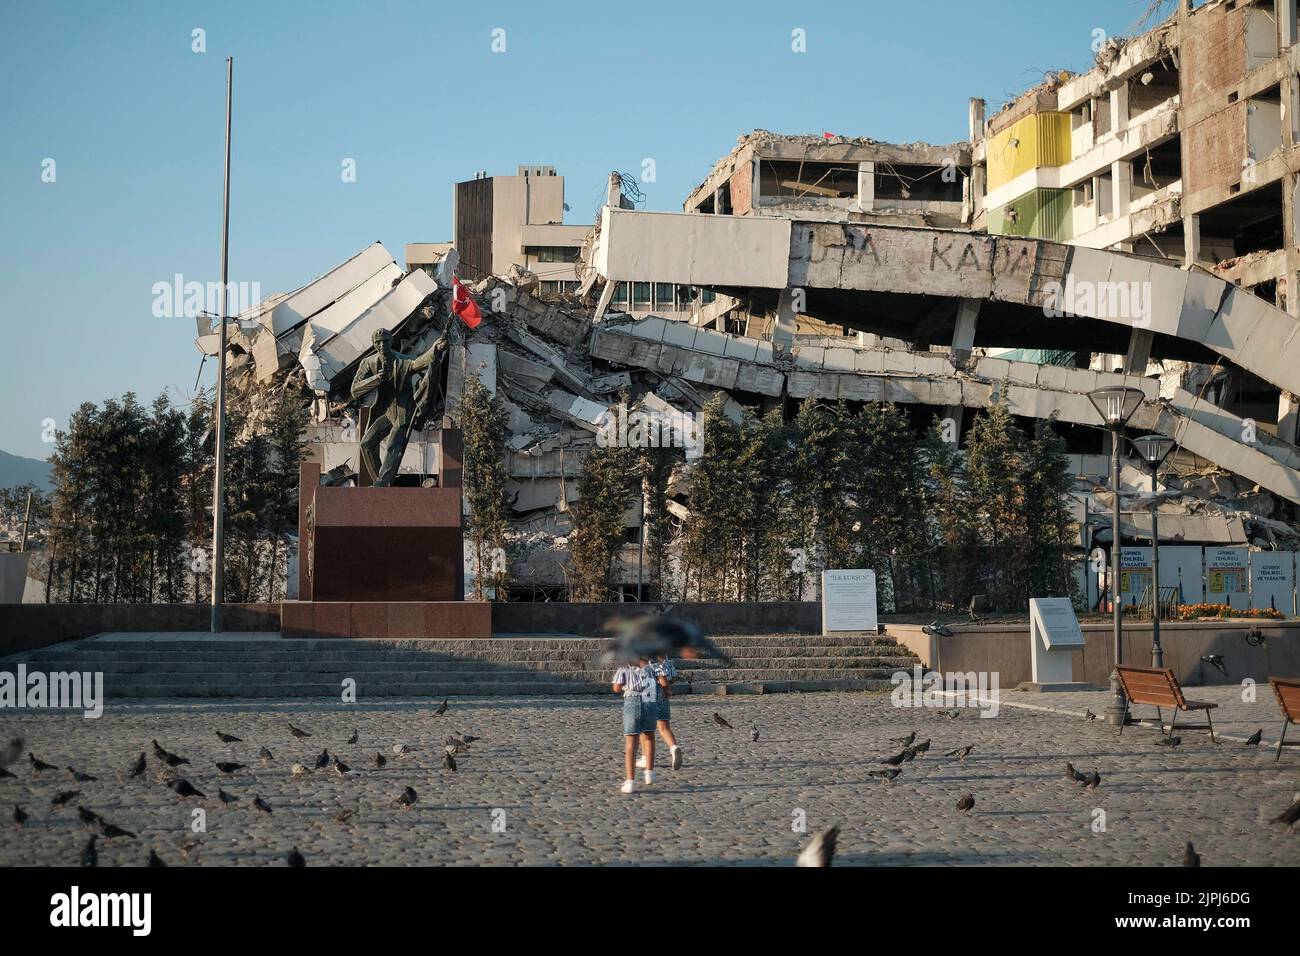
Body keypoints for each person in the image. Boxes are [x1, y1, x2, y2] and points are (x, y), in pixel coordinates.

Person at [612, 656, 663, 793]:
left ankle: (630, 781)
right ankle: (649, 772)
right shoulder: (653, 667)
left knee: (631, 742)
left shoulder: (624, 668)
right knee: (649, 736)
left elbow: (616, 688)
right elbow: (662, 681)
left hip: (632, 703)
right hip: (650, 702)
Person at [638, 654, 682, 771]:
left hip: (648, 693)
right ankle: (673, 747)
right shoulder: (662, 656)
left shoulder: (645, 657)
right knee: (664, 727)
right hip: (662, 693)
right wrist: (666, 691)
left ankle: (645, 756)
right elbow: (668, 678)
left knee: (644, 728)